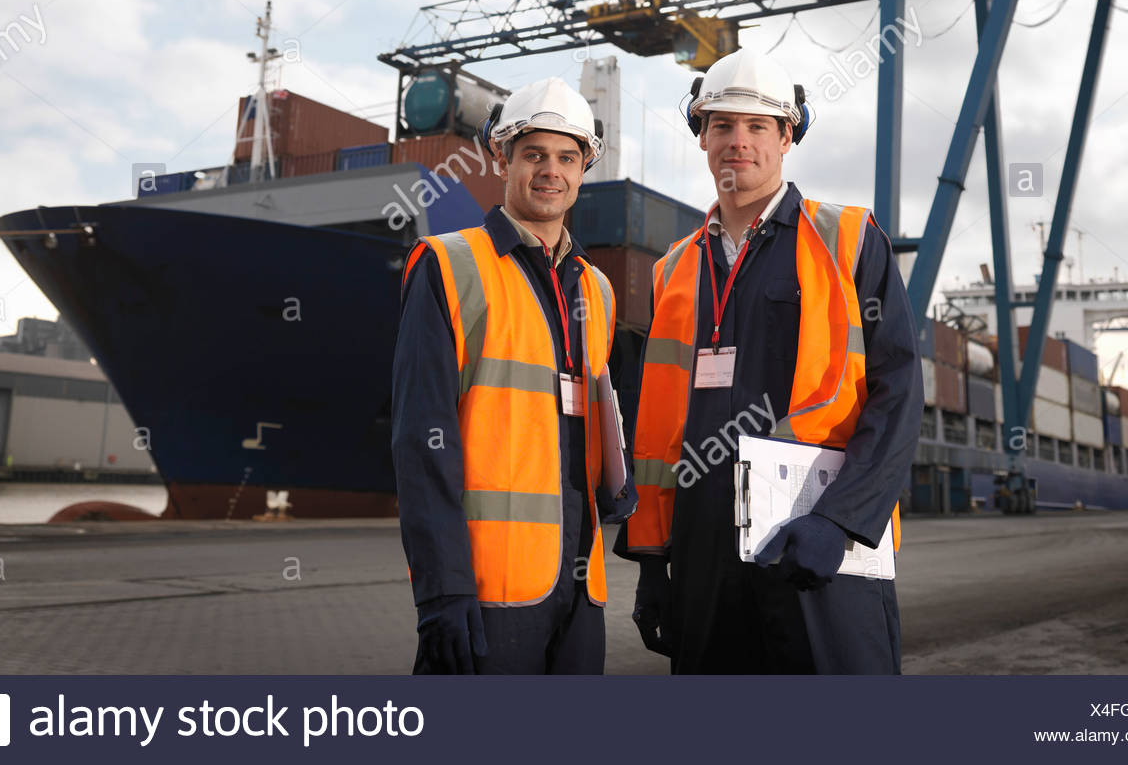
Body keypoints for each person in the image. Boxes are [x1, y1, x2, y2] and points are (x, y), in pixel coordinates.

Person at [618, 48, 924, 674]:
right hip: (704, 558)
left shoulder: (850, 240)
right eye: (722, 125)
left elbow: (898, 397)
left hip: (818, 545)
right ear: (701, 136)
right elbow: (654, 430)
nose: (739, 142)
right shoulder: (673, 270)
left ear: (788, 136)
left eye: (758, 126)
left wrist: (841, 521)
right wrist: (653, 563)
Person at [392, 76, 634, 675]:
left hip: (580, 590)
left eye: (566, 158)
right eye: (534, 155)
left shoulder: (597, 290)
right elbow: (422, 442)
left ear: (583, 170)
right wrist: (443, 588)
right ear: (501, 157)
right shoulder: (449, 265)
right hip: (487, 591)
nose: (551, 171)